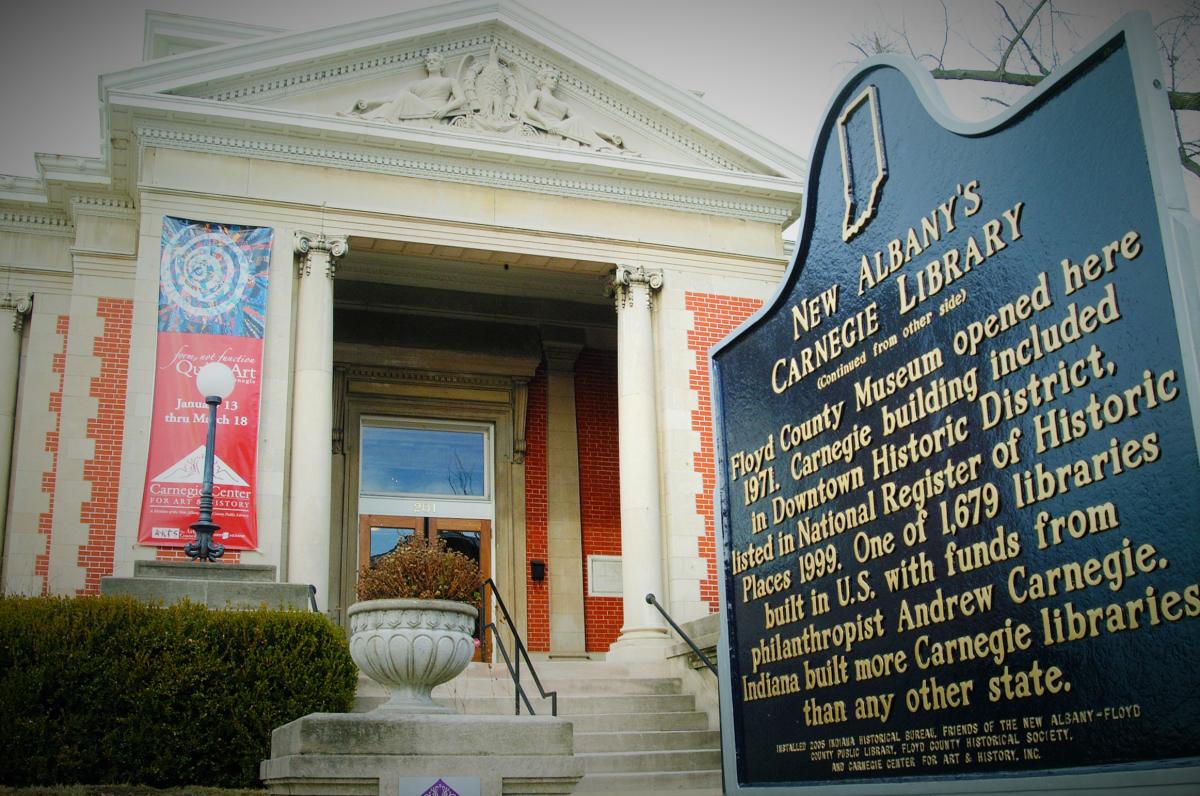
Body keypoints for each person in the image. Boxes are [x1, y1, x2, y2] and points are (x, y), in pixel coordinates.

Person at [519, 68, 623, 151]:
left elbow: (585, 125)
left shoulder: (564, 105)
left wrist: (607, 134)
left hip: (561, 128)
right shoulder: (537, 94)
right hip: (550, 127)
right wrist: (546, 123)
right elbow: (528, 109)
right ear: (543, 79)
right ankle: (605, 147)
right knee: (579, 119)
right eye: (552, 77)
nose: (555, 81)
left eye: (556, 79)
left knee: (580, 119)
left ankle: (605, 144)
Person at [350, 51, 465, 123]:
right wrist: (369, 102)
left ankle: (388, 119)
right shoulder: (416, 84)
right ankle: (363, 118)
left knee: (404, 96)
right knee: (388, 106)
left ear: (442, 65)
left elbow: (461, 99)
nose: (430, 63)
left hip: (433, 111)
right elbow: (394, 98)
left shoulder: (449, 81)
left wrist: (445, 109)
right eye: (428, 61)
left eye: (434, 60)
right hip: (419, 109)